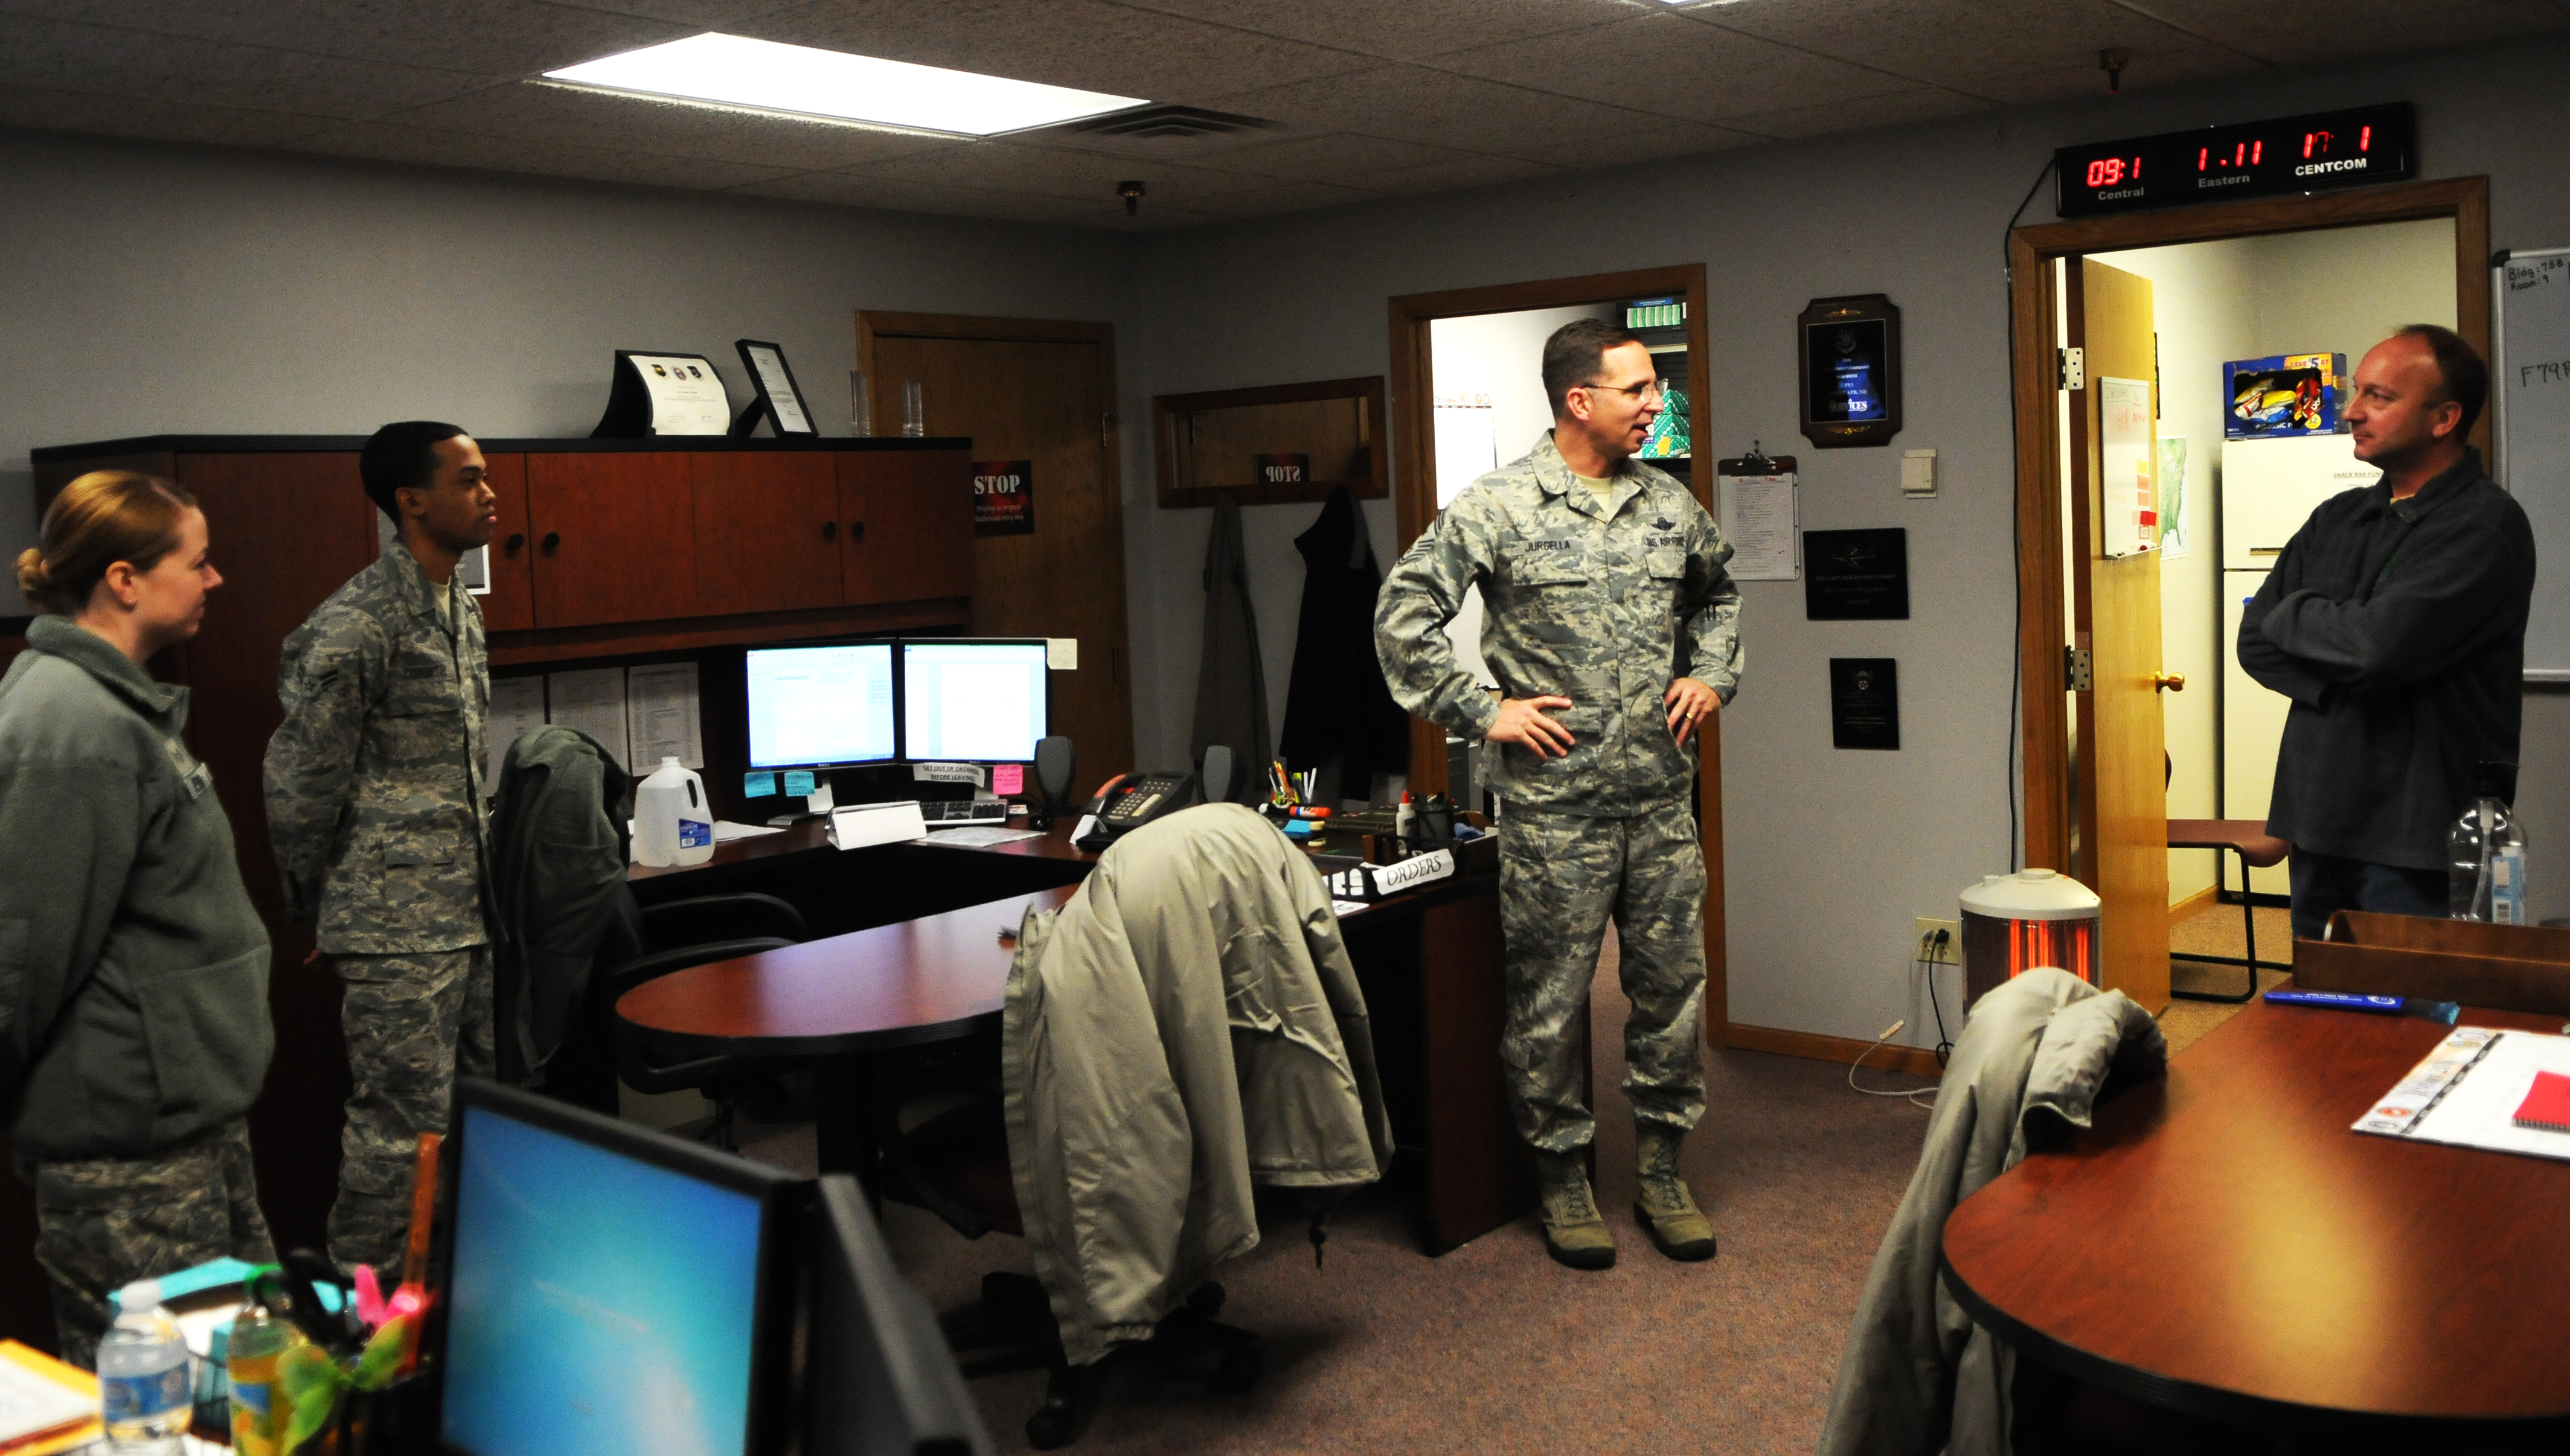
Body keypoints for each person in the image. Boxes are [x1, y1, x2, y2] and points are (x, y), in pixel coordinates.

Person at [1374, 318, 1741, 1269]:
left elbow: (1720, 598)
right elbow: (1402, 617)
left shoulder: (1670, 507)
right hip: (1554, 814)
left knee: (1670, 995)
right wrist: (1478, 708)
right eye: (1639, 390)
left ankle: (1662, 1173)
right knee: (1548, 1004)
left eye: (1655, 388)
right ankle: (1562, 1178)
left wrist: (1711, 675)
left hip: (1660, 802)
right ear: (1581, 401)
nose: (1656, 403)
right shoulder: (1497, 508)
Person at [1, 471, 275, 1365]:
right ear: (124, 579)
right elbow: (23, 953)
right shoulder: (70, 723)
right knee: (170, 1412)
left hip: (180, 1133)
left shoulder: (114, 702)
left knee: (242, 1390)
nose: (216, 578)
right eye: (197, 561)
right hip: (126, 1157)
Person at [264, 421, 498, 1279]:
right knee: (399, 1138)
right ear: (412, 501)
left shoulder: (460, 610)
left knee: (475, 1120)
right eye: (469, 479)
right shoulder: (357, 624)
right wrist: (315, 907)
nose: (490, 492)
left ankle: (445, 1319)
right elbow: (299, 785)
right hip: (393, 926)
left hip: (466, 914)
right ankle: (356, 1335)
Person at [2237, 325, 2536, 939]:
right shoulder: (2338, 516)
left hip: (2419, 837)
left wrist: (2296, 613)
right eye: (2355, 394)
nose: (2349, 412)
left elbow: (2378, 649)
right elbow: (2254, 639)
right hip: (2316, 818)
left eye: (2377, 397)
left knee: (2419, 1023)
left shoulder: (2483, 527)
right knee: (2320, 1017)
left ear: (2442, 417)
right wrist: (2341, 673)